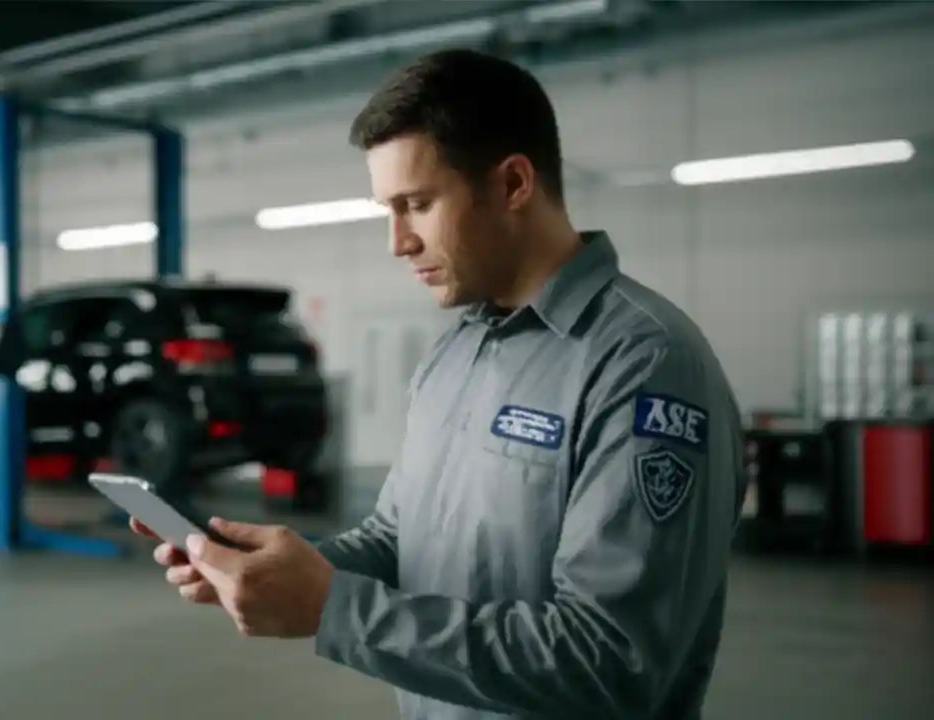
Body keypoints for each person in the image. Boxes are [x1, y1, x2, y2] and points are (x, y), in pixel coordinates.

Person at [130, 48, 745, 720]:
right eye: (386, 211)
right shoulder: (456, 354)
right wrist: (275, 571)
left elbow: (610, 663)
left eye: (417, 205)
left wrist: (334, 608)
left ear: (513, 184)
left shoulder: (643, 362)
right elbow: (400, 542)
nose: (397, 241)